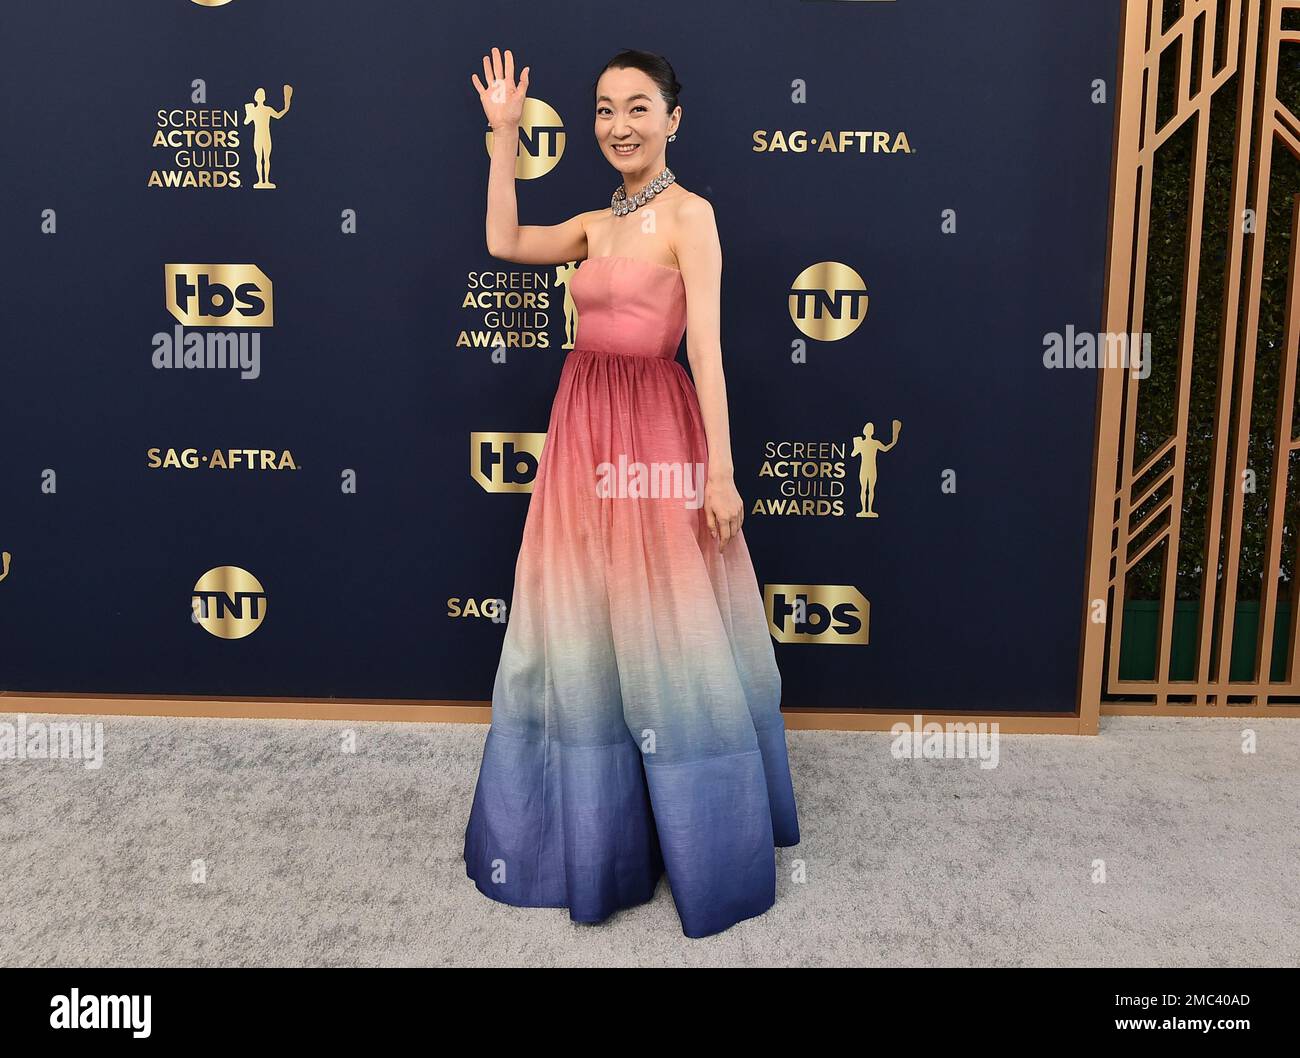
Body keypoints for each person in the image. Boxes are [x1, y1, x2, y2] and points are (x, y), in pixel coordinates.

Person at [462, 46, 799, 939]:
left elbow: (709, 353)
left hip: (655, 433)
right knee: (582, 614)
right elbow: (505, 241)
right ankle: (601, 831)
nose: (620, 125)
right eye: (606, 109)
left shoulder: (693, 217)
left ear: (673, 119)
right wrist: (503, 135)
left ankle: (700, 838)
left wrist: (721, 474)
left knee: (667, 623)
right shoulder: (592, 222)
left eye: (639, 108)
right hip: (582, 426)